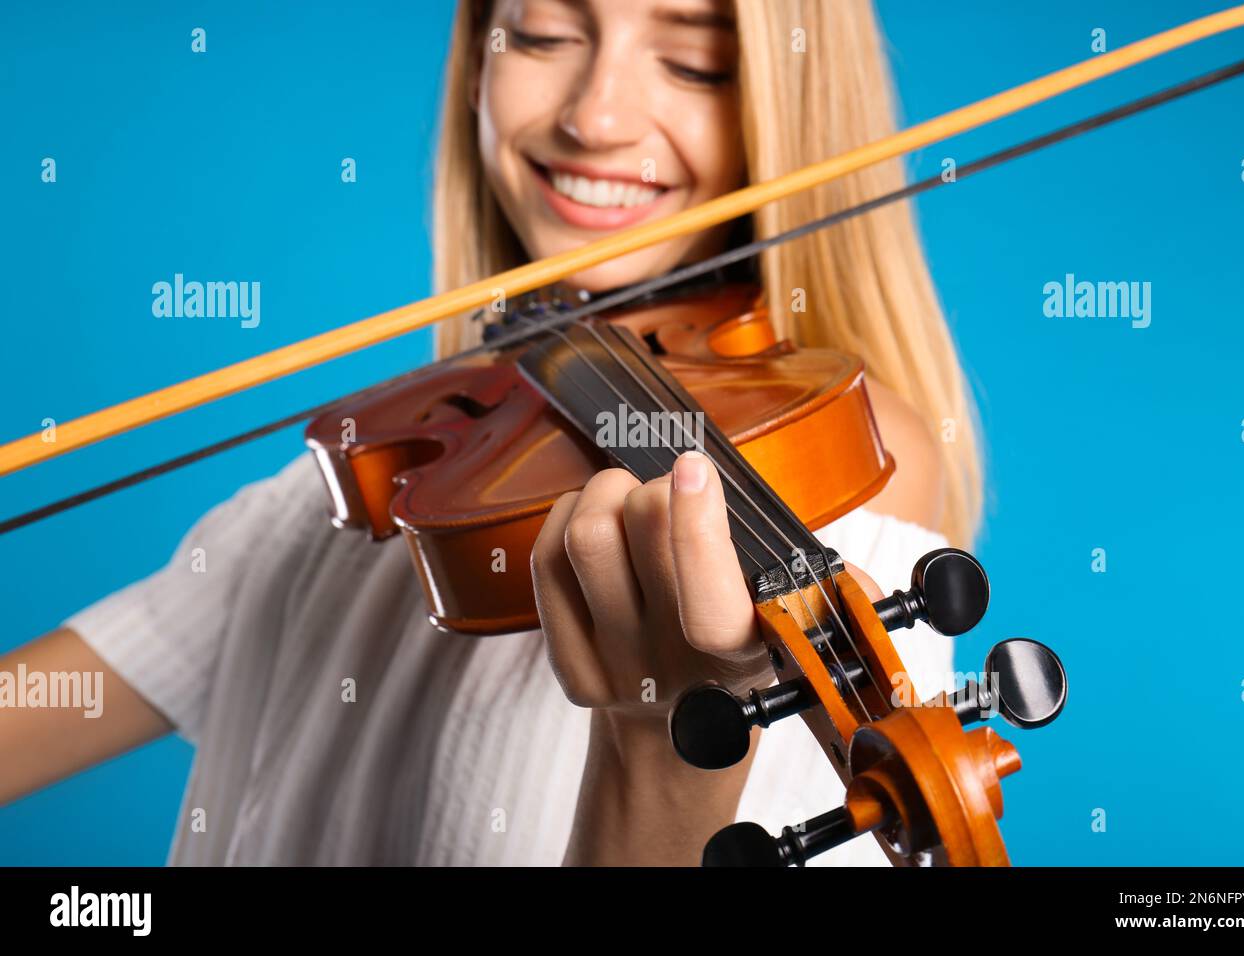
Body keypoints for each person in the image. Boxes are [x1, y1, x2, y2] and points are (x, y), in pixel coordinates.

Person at [0, 0, 982, 865]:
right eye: (546, 32)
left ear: (789, 100)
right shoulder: (392, 477)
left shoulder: (829, 486)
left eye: (694, 60)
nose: (592, 117)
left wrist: (664, 748)